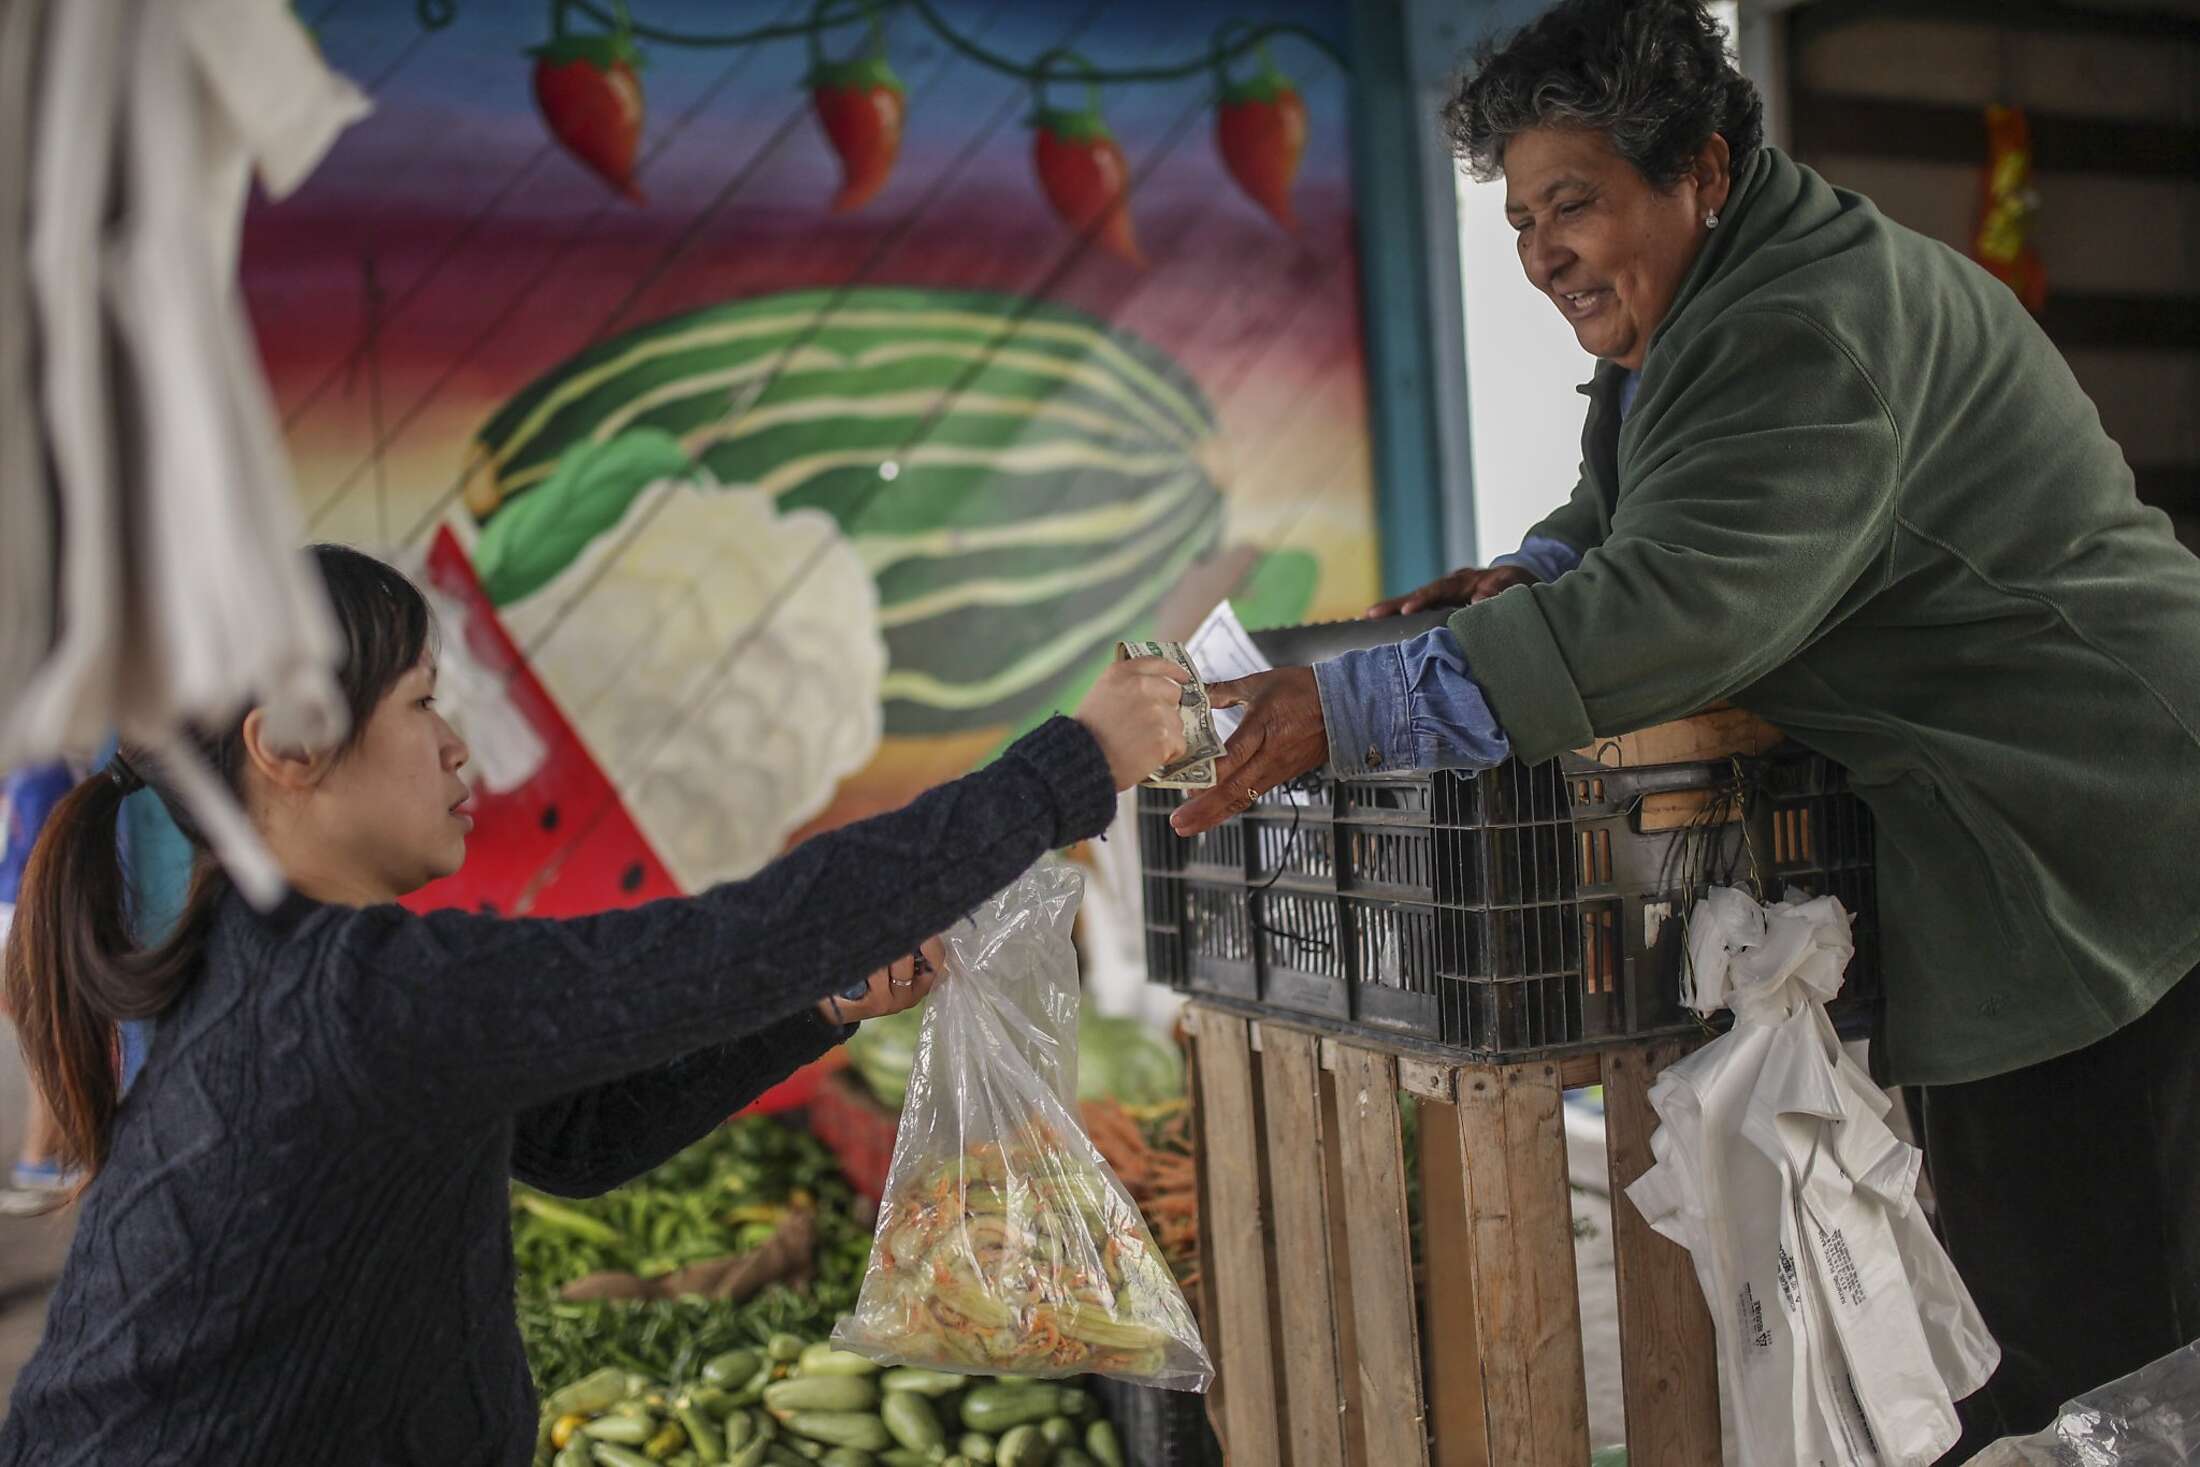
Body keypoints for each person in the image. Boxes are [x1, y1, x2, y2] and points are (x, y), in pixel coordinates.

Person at [1171, 0, 2200, 1455]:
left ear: (1702, 169)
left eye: (1573, 203)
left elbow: (1690, 598)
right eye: (1521, 218)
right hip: (2017, 824)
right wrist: (1532, 568)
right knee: (2036, 1304)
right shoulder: (1711, 303)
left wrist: (1354, 701)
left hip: (2115, 820)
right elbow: (1632, 504)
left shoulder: (1803, 324)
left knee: (2103, 1336)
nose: (1541, 253)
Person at [0, 543, 1190, 1464]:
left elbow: (576, 1141)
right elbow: (736, 944)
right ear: (291, 747)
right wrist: (1067, 770)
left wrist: (816, 1008)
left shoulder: (296, 979)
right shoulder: (352, 998)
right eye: (421, 704)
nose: (457, 749)